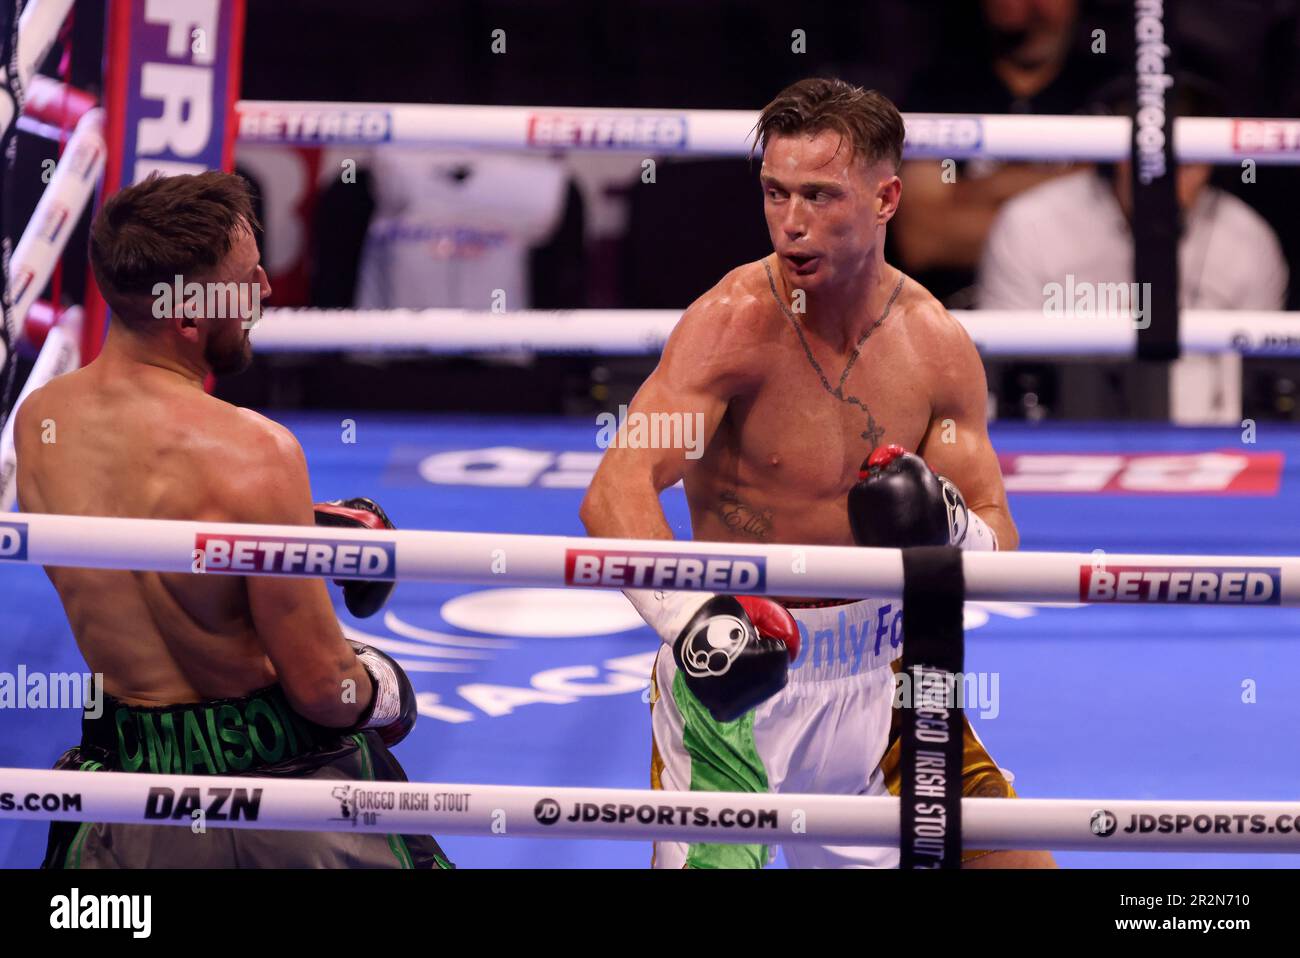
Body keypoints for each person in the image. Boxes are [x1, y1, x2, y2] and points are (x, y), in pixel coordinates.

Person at [580, 77, 1054, 869]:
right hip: (738, 687)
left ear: (886, 198)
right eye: (775, 193)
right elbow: (614, 492)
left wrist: (945, 525)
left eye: (821, 196)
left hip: (889, 675)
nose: (791, 223)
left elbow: (996, 537)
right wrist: (697, 626)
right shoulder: (729, 328)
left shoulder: (936, 345)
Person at [14, 170, 451, 869]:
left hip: (128, 792)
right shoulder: (256, 453)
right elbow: (322, 689)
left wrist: (300, 523)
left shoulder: (41, 423)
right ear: (188, 315)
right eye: (247, 279)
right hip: (281, 793)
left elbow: (142, 515)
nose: (267, 291)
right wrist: (386, 688)